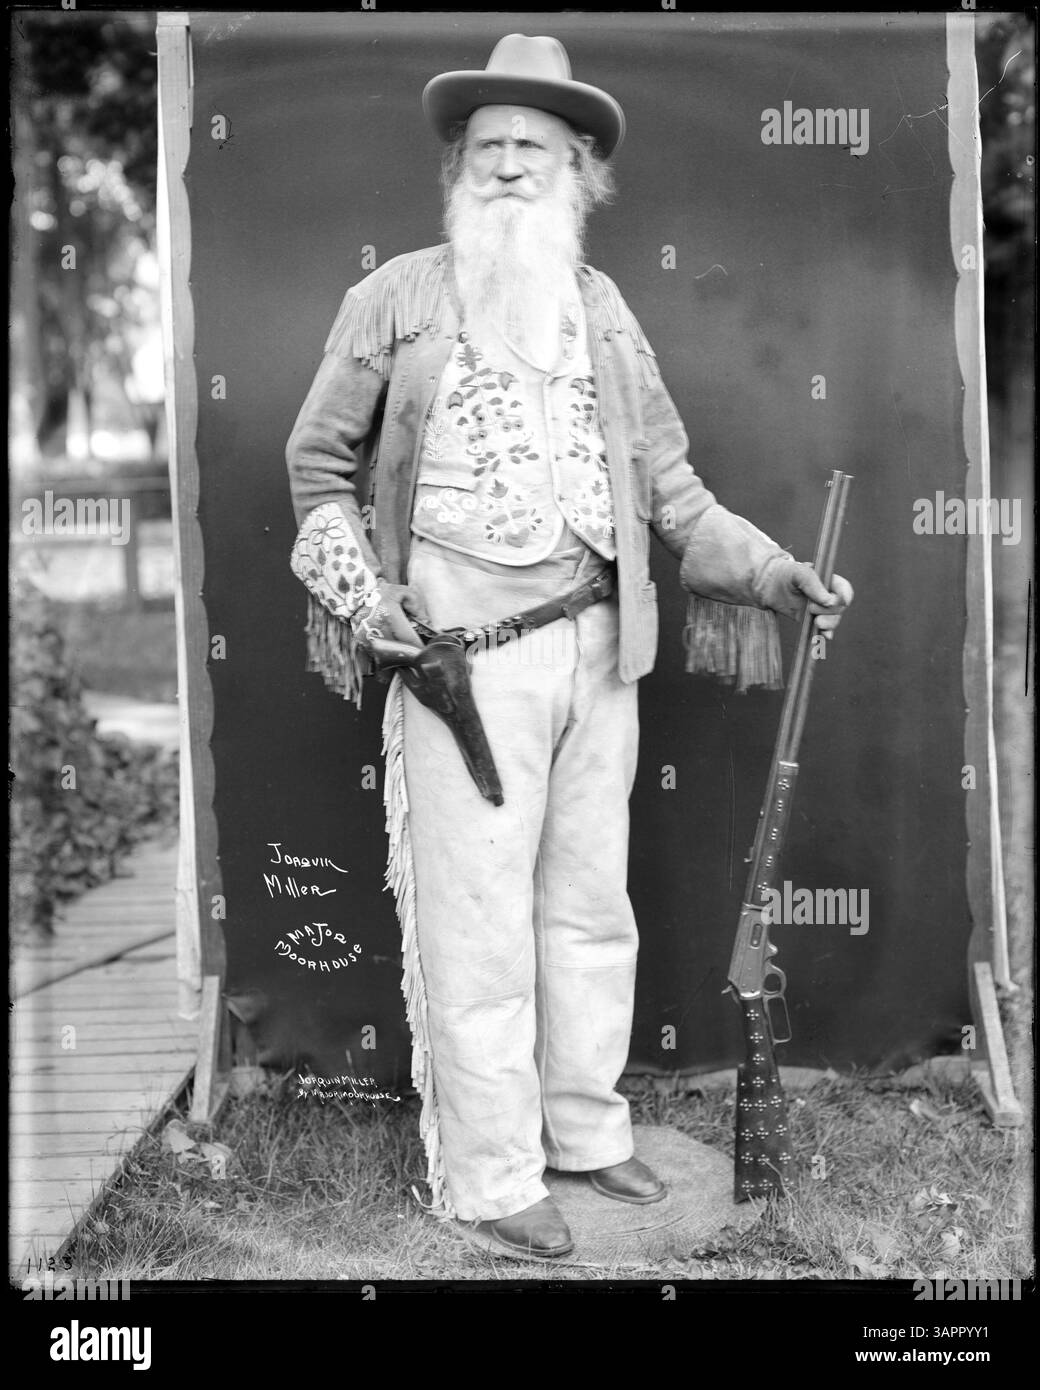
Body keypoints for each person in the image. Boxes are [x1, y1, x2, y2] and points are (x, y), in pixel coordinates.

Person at [286, 33, 852, 1258]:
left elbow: (673, 494)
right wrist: (364, 597)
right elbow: (314, 467)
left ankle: (586, 1133)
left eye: (529, 148)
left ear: (578, 171)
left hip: (599, 652)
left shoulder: (601, 307)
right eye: (484, 146)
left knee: (591, 909)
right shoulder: (392, 300)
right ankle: (491, 1178)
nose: (503, 166)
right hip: (460, 660)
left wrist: (768, 572)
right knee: (478, 920)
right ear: (457, 167)